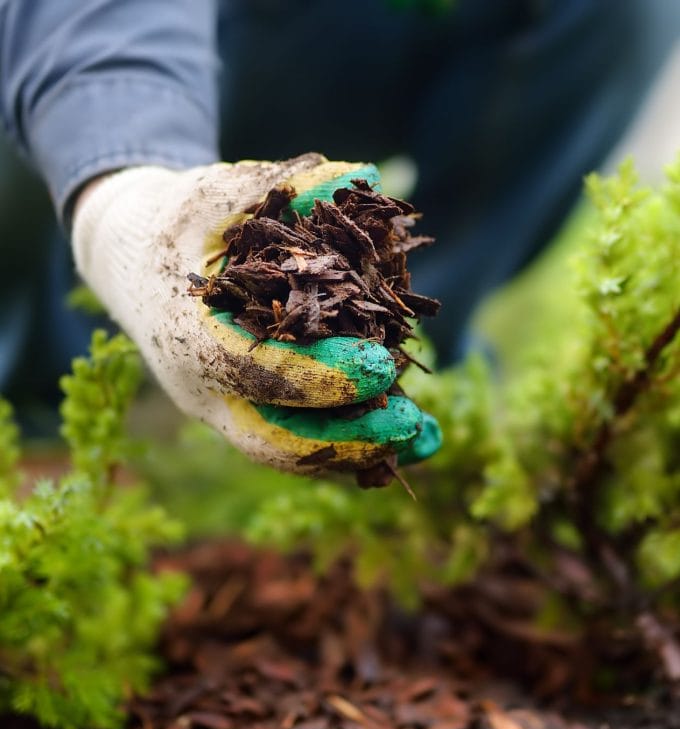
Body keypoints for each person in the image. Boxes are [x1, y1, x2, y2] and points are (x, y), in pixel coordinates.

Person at [0, 0, 678, 473]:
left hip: (350, 36)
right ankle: (39, 391)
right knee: (35, 83)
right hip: (128, 35)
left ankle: (387, 372)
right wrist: (124, 196)